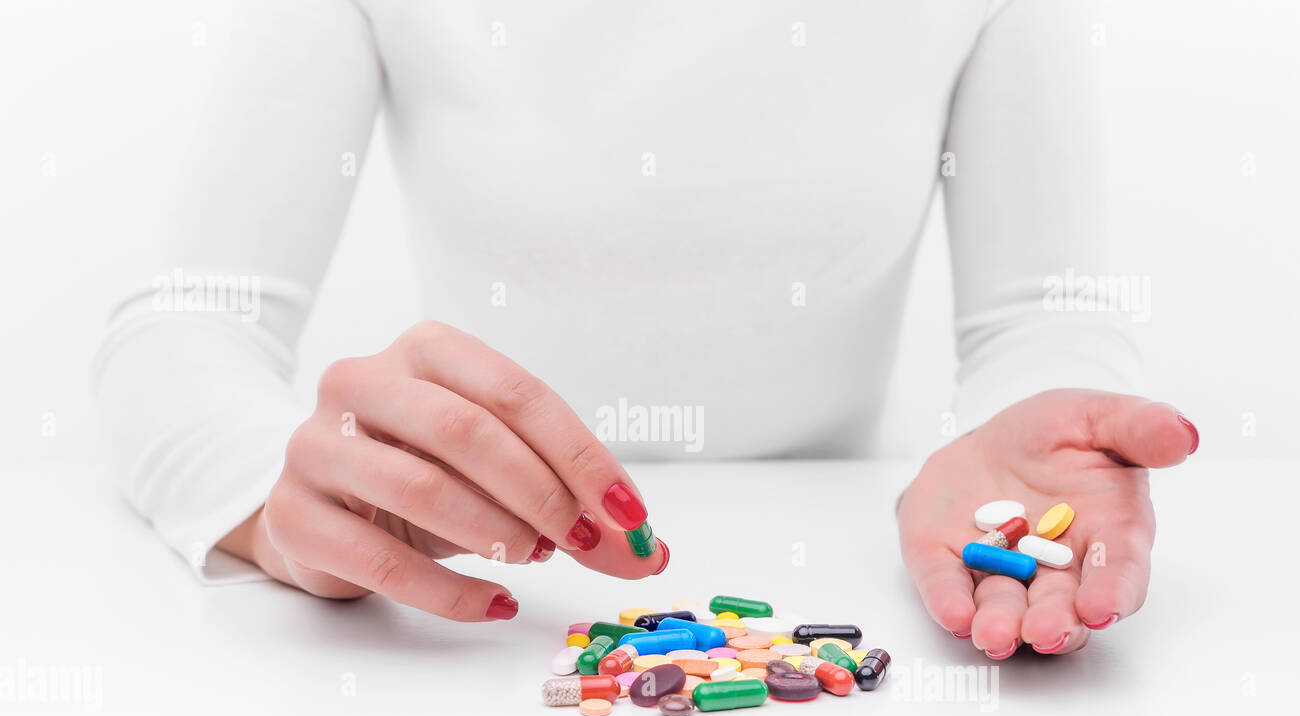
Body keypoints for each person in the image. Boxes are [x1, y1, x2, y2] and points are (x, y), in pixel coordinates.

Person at [92, 0, 1197, 660]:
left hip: (852, 584)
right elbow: (187, 320)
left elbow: (1040, 314)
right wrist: (277, 508)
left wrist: (1040, 438)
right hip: (501, 627)